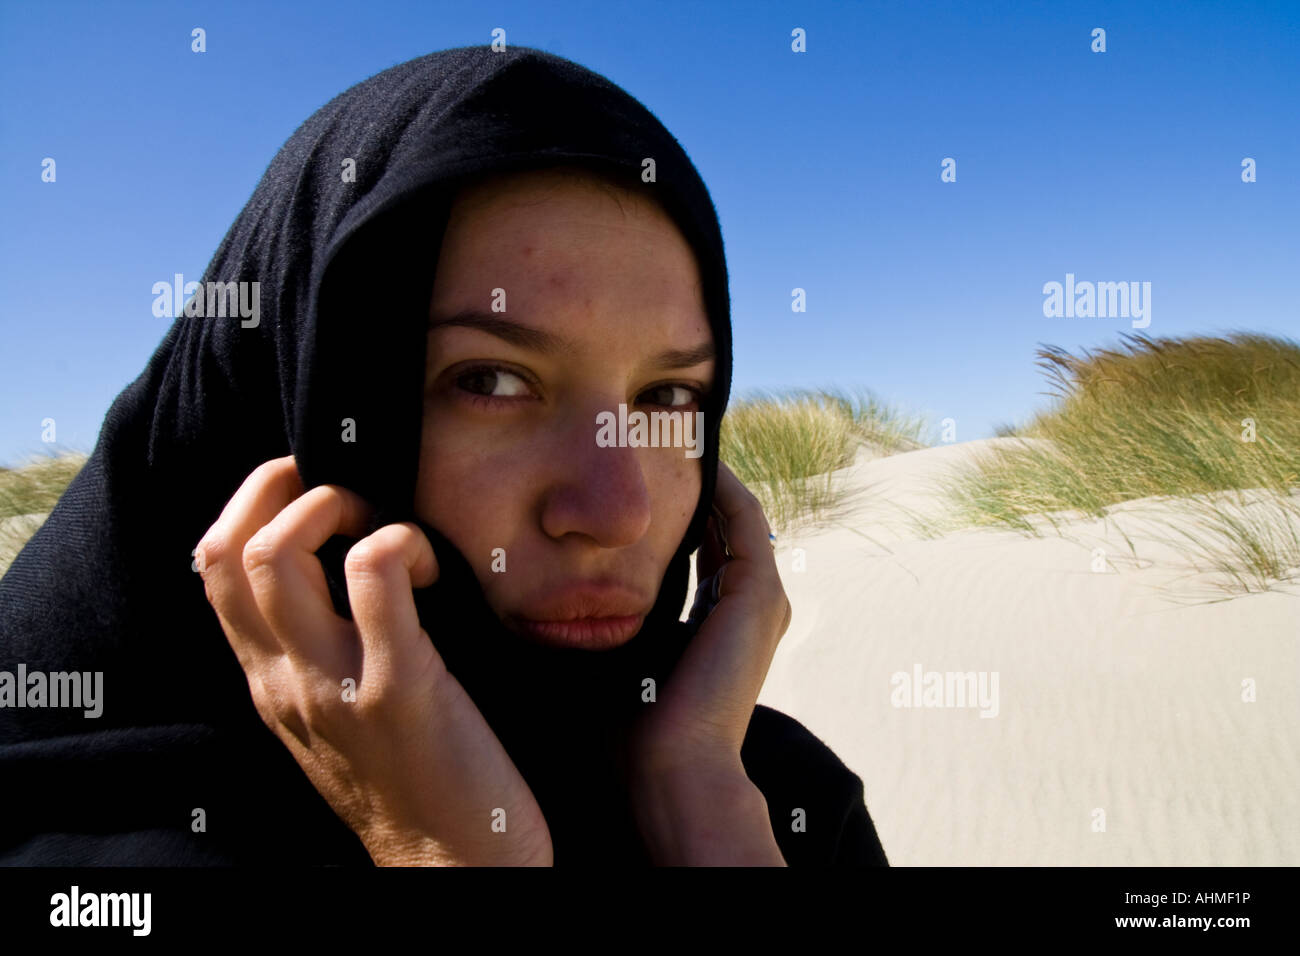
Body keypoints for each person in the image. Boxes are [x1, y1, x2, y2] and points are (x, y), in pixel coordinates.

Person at [0, 45, 888, 866]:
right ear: (297, 402)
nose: (621, 511)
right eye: (492, 382)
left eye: (667, 398)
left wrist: (702, 801)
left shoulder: (779, 799)